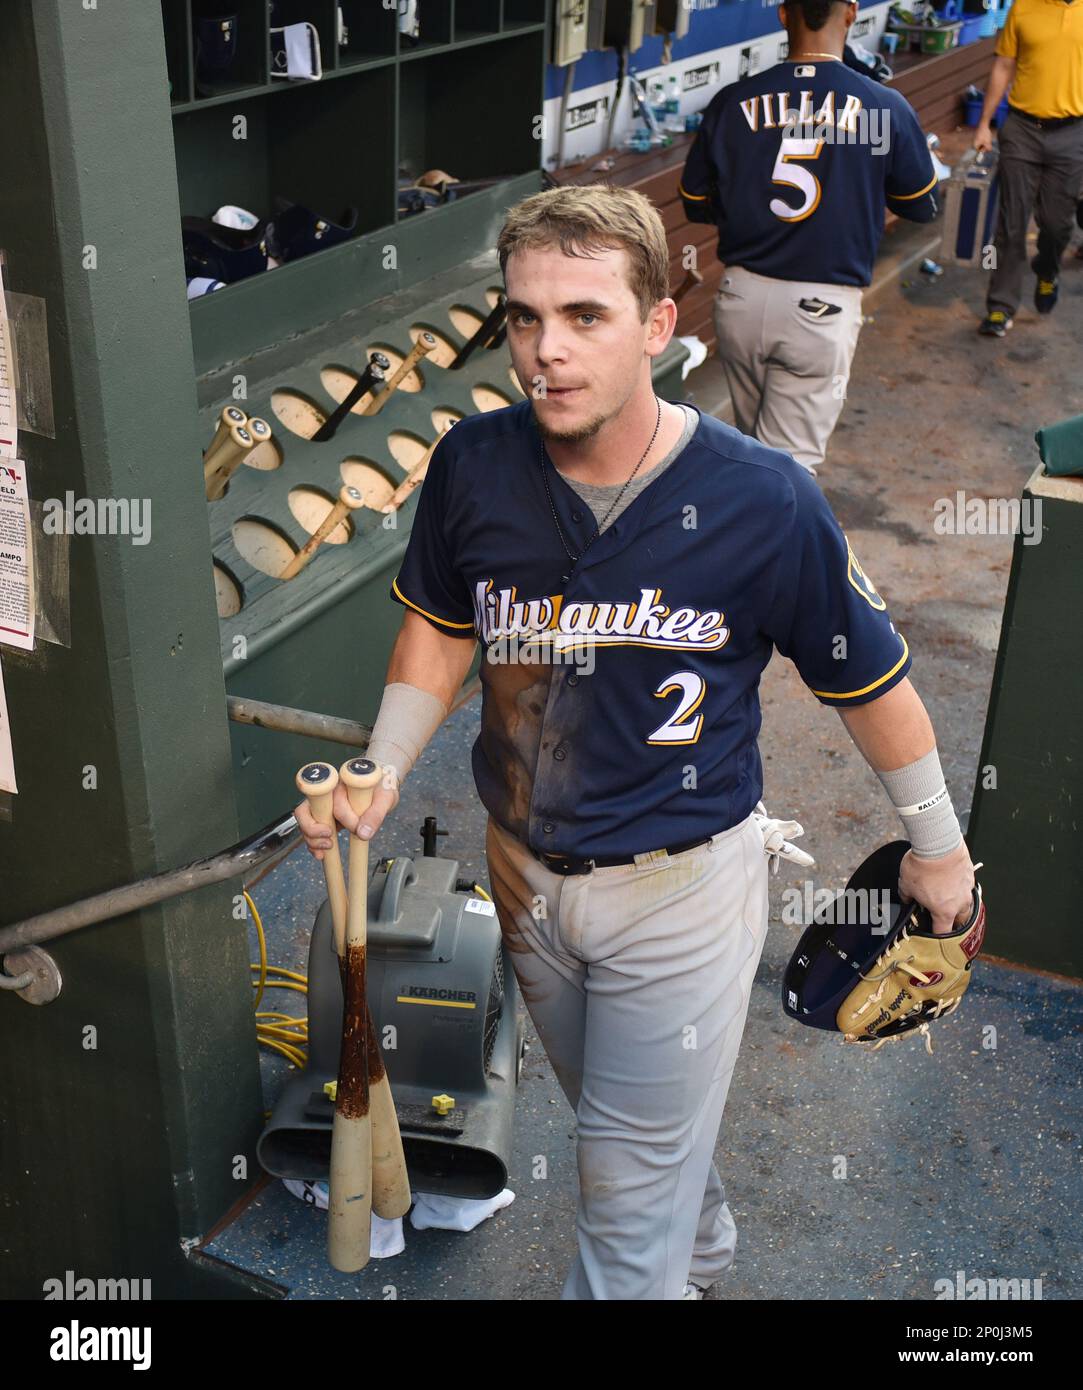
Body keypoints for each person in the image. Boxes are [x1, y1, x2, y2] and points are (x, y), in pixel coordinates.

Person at [294, 185, 976, 1301]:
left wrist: (938, 849)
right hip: (521, 873)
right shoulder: (474, 463)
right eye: (524, 317)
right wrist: (386, 761)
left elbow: (871, 682)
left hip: (682, 892)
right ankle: (698, 1256)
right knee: (627, 1137)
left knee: (617, 1198)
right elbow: (439, 624)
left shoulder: (763, 499)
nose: (545, 351)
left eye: (586, 316)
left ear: (659, 326)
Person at [678, 0, 938, 474]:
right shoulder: (882, 105)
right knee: (788, 475)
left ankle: (739, 543)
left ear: (783, 14)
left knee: (753, 458)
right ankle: (769, 548)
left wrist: (748, 202)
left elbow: (694, 203)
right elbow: (919, 204)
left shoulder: (734, 102)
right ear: (851, 13)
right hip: (821, 309)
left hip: (741, 298)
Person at [973, 0, 1083, 336]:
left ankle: (1047, 271)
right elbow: (1004, 65)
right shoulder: (1023, 7)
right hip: (1022, 130)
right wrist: (984, 124)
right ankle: (1000, 306)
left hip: (1072, 132)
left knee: (1056, 224)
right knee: (1011, 222)